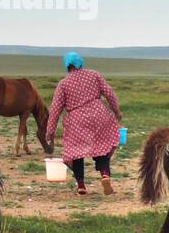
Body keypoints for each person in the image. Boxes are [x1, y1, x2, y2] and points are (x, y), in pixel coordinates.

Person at [45, 52, 122, 196]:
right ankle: (105, 175)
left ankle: (81, 185)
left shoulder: (64, 84)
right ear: (81, 62)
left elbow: (55, 109)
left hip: (76, 121)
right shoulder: (94, 75)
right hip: (99, 115)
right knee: (102, 147)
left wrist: (50, 131)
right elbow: (109, 93)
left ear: (67, 66)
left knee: (76, 153)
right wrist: (116, 111)